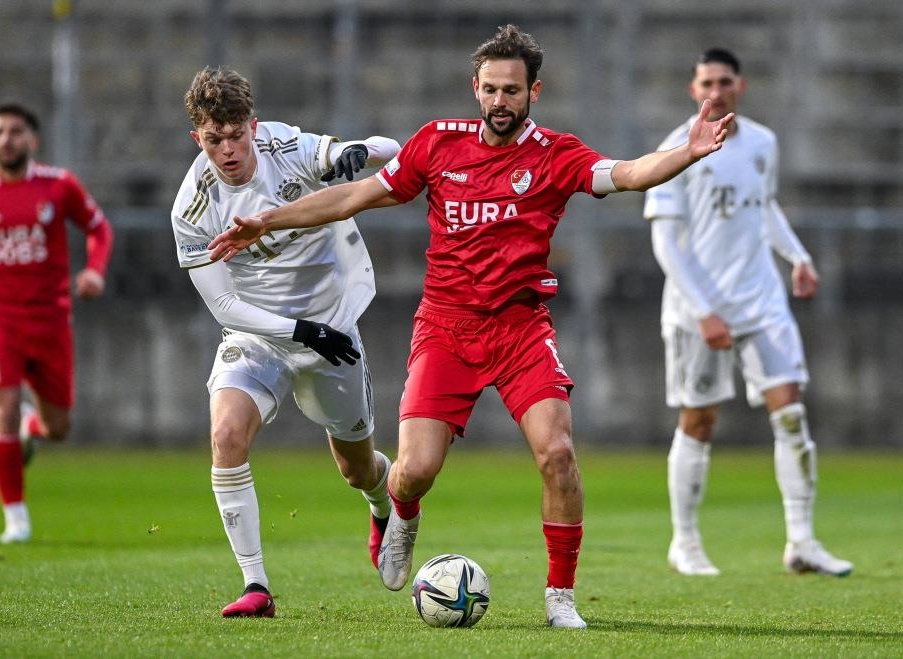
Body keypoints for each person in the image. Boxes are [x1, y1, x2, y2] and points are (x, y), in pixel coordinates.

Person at [206, 26, 733, 628]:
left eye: (512, 90)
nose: (500, 101)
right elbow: (352, 197)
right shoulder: (437, 144)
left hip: (520, 329)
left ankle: (560, 598)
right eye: (490, 89)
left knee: (558, 453)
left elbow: (631, 173)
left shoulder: (556, 155)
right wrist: (268, 221)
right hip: (446, 329)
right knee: (415, 471)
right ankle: (401, 514)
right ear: (474, 89)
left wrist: (687, 152)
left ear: (535, 91)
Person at [170, 67, 401, 618]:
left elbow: (394, 152)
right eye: (213, 139)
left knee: (356, 468)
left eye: (235, 134)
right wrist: (299, 332)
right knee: (226, 434)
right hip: (259, 336)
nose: (228, 150)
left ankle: (380, 503)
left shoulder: (287, 144)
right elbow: (225, 305)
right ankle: (256, 587)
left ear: (252, 126)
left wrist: (356, 150)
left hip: (333, 327)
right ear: (196, 138)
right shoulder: (191, 209)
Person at [643, 48, 853, 578]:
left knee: (791, 413)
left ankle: (802, 541)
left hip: (761, 301)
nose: (716, 90)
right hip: (700, 309)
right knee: (699, 419)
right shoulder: (677, 148)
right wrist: (705, 310)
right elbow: (666, 242)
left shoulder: (763, 142)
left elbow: (765, 206)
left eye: (725, 81)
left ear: (741, 85)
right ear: (694, 90)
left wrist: (797, 255)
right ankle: (684, 541)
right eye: (706, 82)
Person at [0, 101, 114, 544]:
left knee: (59, 429)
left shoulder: (59, 186)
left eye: (16, 131)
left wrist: (94, 270)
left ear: (33, 140)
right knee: (2, 409)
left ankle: (35, 427)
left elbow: (99, 229)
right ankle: (16, 518)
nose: (7, 139)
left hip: (50, 318)